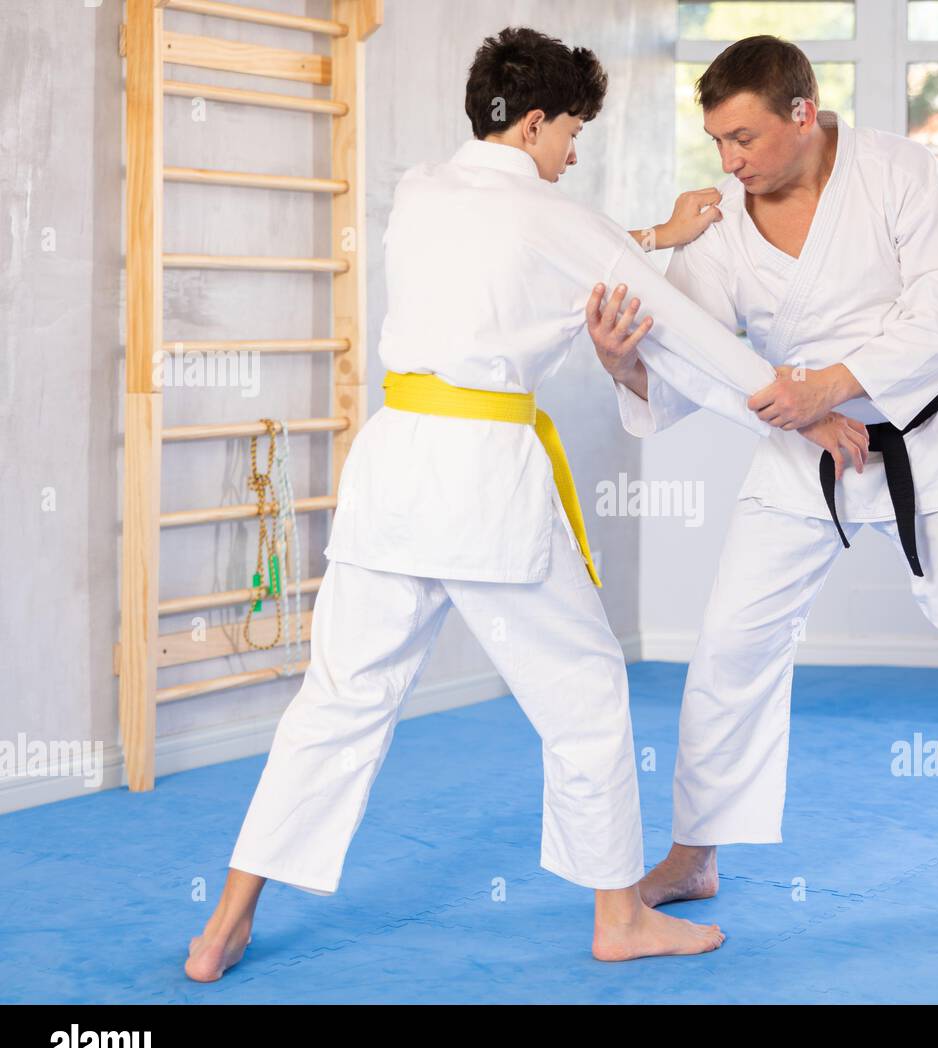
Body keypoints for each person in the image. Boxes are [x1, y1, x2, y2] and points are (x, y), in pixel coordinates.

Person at [184, 26, 869, 982]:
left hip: (389, 477)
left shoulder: (420, 192)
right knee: (587, 694)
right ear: (534, 122)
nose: (575, 153)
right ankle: (619, 918)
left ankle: (223, 923)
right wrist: (800, 416)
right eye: (572, 133)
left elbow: (522, 253)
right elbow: (689, 341)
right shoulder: (561, 225)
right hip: (481, 485)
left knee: (336, 705)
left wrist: (657, 237)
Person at [587, 35, 938, 944]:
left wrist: (827, 383)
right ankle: (696, 852)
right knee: (730, 647)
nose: (729, 161)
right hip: (802, 456)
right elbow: (690, 362)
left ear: (802, 112)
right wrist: (622, 363)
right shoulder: (721, 228)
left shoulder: (903, 176)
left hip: (928, 442)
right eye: (716, 143)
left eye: (743, 138)